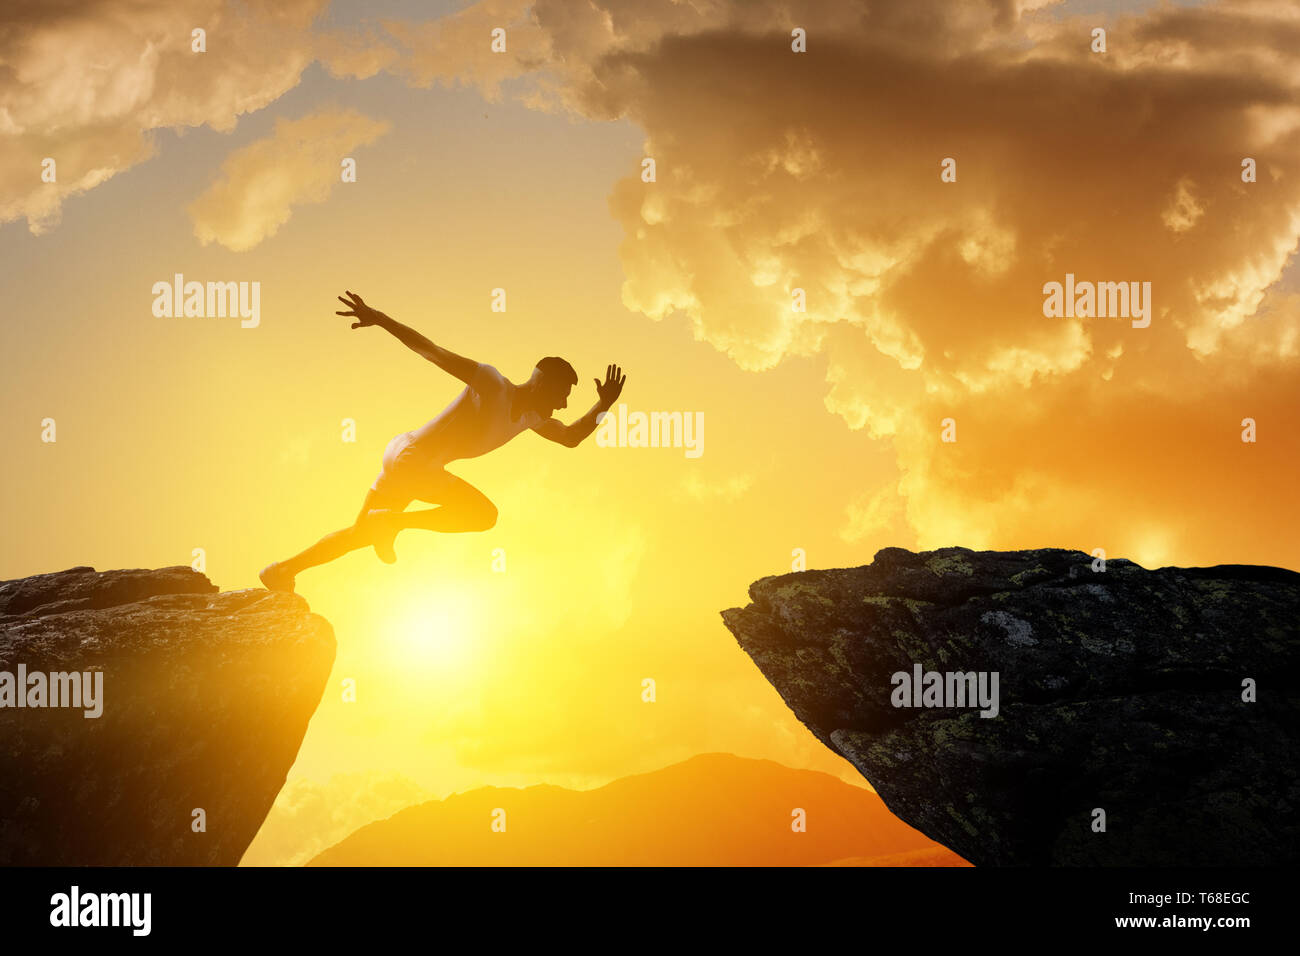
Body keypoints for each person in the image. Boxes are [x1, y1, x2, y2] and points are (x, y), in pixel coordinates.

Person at [258, 290, 626, 593]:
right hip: (412, 458)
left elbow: (571, 439)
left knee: (359, 534)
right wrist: (379, 317)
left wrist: (604, 404)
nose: (563, 404)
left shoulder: (533, 419)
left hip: (409, 461)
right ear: (543, 383)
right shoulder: (492, 384)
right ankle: (394, 523)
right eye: (562, 395)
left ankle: (280, 571)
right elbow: (432, 351)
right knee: (484, 515)